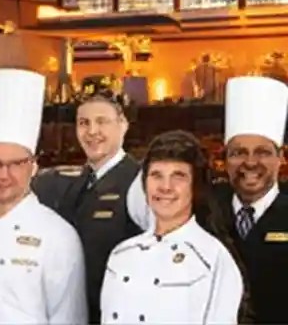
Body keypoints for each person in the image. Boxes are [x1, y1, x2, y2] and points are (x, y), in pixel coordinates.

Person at [0, 68, 86, 325]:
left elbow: (69, 318)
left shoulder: (58, 236)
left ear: (33, 167)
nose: (2, 174)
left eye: (14, 164)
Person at [101, 130, 243, 324]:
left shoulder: (213, 257)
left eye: (178, 176)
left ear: (195, 186)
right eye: (156, 175)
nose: (165, 187)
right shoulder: (121, 255)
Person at [31, 88, 148, 323]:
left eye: (101, 122)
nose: (92, 131)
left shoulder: (140, 182)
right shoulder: (73, 184)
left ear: (123, 125)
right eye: (84, 123)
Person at [210, 75, 288, 323]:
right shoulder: (205, 213)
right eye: (238, 152)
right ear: (224, 159)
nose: (250, 162)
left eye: (263, 152)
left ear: (281, 157)